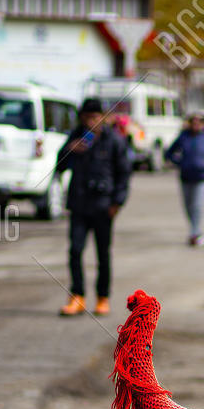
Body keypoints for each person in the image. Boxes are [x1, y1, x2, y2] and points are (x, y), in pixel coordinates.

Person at [54, 98, 132, 317]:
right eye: (87, 117)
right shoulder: (75, 136)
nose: (91, 121)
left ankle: (102, 297)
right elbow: (58, 167)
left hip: (103, 206)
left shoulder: (113, 140)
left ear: (103, 117)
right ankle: (77, 296)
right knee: (75, 251)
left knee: (103, 254)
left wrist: (118, 202)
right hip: (79, 204)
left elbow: (124, 174)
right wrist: (70, 150)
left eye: (96, 117)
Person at [165, 113, 204, 246]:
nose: (196, 125)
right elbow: (169, 153)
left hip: (202, 177)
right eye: (193, 123)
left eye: (198, 123)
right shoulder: (184, 137)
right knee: (188, 206)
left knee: (197, 205)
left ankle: (195, 233)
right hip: (186, 177)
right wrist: (179, 162)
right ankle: (195, 229)